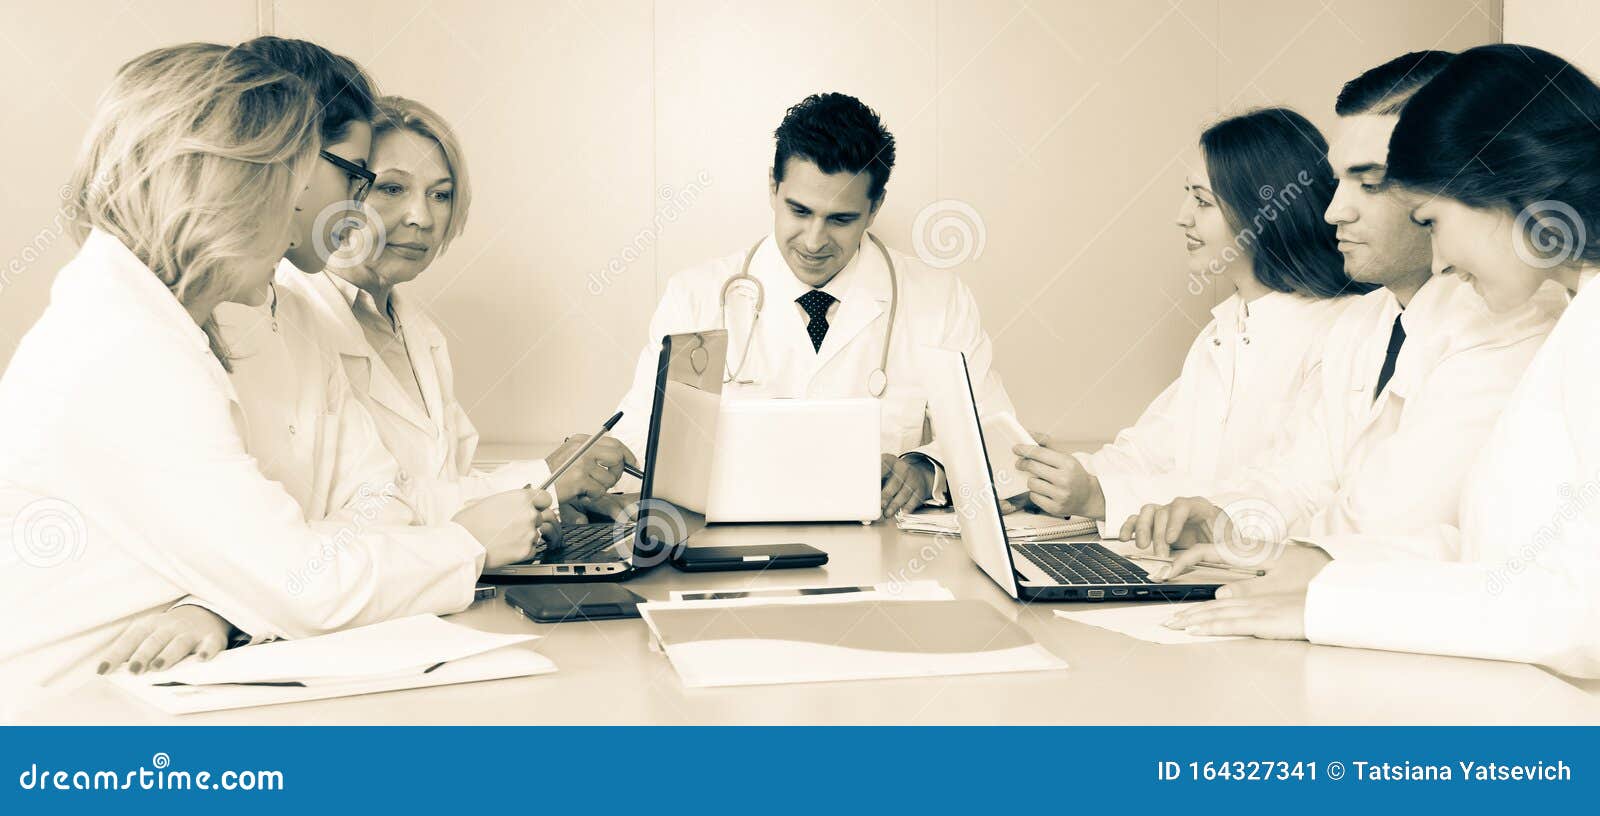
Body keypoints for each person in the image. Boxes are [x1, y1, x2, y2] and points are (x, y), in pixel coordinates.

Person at [0, 43, 545, 695]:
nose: (306, 215)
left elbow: (355, 516)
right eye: (289, 179)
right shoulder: (120, 344)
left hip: (178, 694)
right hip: (75, 724)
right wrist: (464, 545)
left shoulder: (168, 323)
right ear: (226, 178)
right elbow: (300, 583)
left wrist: (246, 595)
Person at [1168, 44, 1600, 679]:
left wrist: (1325, 601)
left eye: (1431, 217)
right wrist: (1297, 564)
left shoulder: (1566, 331)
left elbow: (1581, 609)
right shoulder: (1576, 324)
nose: (1442, 255)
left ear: (1502, 184)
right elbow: (1489, 551)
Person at [610, 92, 1016, 518]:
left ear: (875, 208)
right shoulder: (695, 296)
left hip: (885, 555)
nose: (814, 240)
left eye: (841, 219)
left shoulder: (940, 300)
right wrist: (603, 461)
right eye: (799, 211)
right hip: (731, 553)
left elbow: (999, 439)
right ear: (773, 187)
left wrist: (928, 469)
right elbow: (641, 437)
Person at [236, 93, 633, 523]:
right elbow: (372, 510)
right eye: (391, 188)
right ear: (344, 190)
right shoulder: (279, 318)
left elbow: (446, 491)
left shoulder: (419, 335)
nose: (421, 217)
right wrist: (545, 480)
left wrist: (557, 506)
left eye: (440, 195)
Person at [1012, 107, 1366, 533]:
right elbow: (1147, 452)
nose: (1182, 216)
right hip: (1194, 566)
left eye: (1202, 201)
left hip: (1251, 574)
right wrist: (1054, 476)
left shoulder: (1341, 332)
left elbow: (1298, 492)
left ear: (1263, 211)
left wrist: (1099, 497)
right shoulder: (1224, 331)